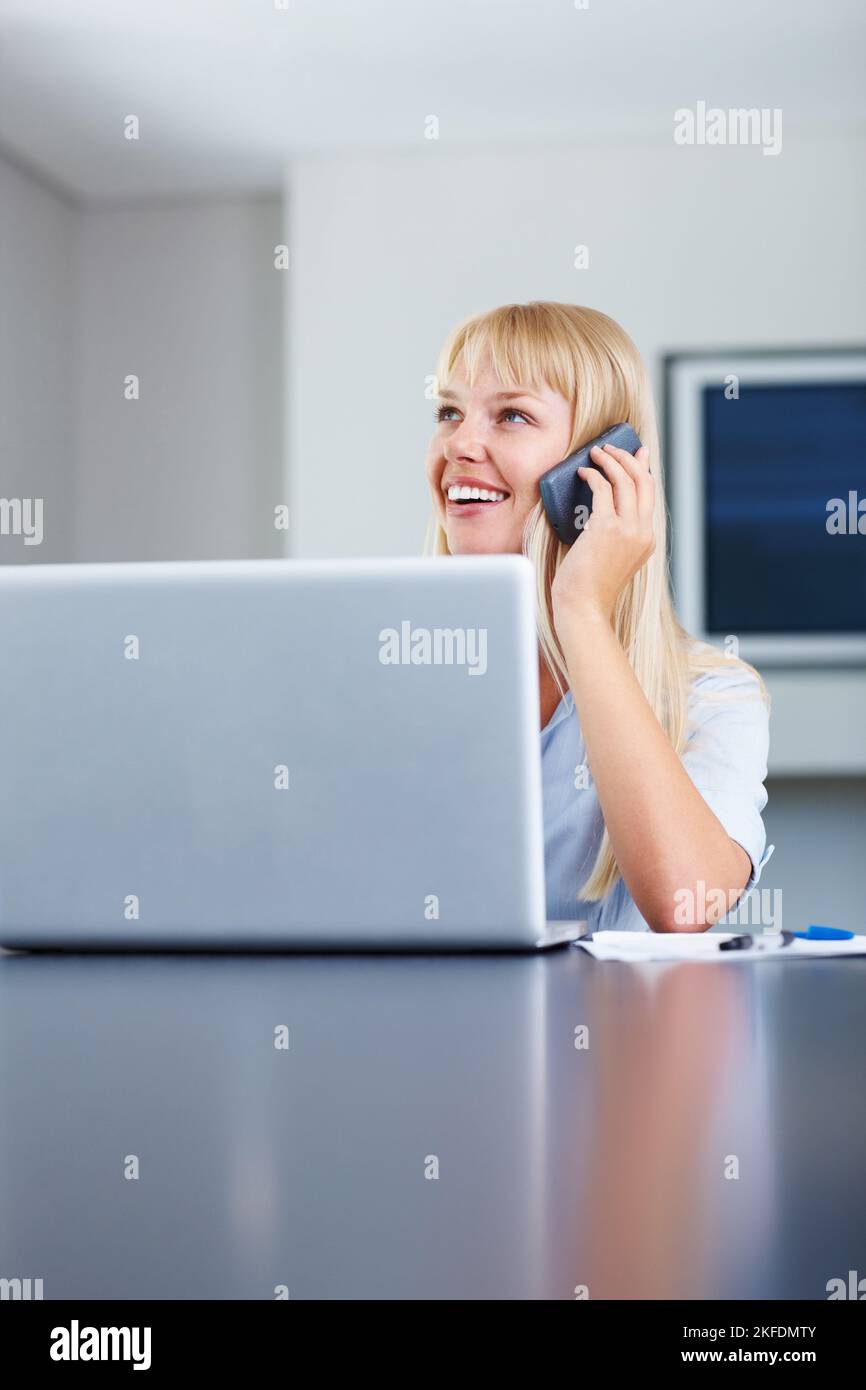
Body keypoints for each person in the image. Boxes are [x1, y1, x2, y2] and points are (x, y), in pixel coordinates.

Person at [424, 301, 772, 932]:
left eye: (511, 415)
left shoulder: (712, 697)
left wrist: (582, 611)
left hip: (623, 1033)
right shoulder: (396, 673)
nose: (459, 444)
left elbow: (683, 903)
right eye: (449, 412)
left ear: (600, 468)